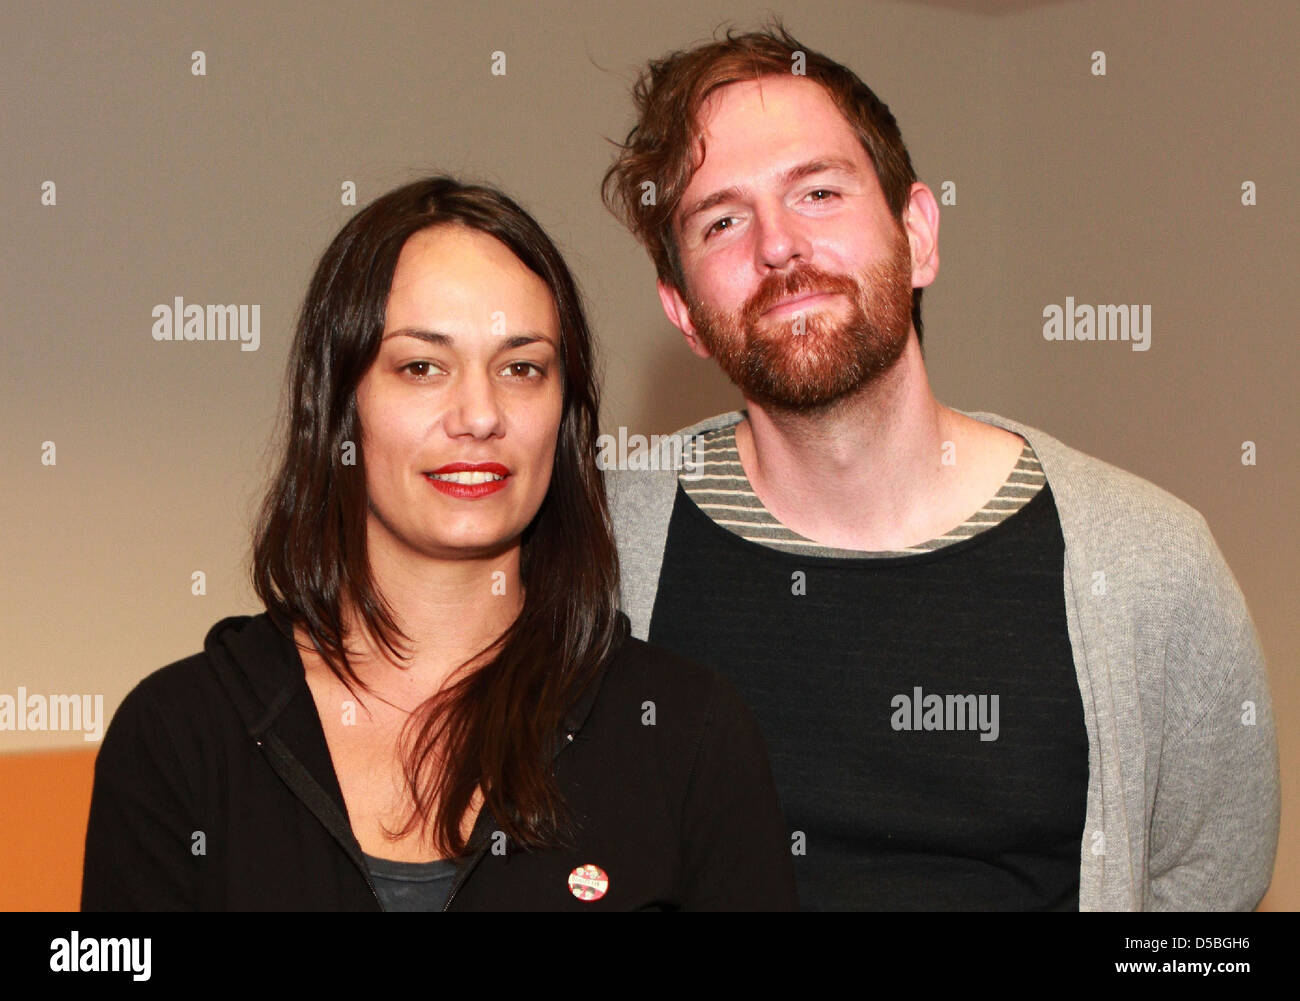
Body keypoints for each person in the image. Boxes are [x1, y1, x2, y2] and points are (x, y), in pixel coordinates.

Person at [600, 22, 1279, 910]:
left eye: (818, 192)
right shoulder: (601, 551)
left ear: (917, 234)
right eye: (722, 220)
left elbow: (1212, 922)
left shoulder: (1149, 562)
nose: (778, 245)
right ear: (683, 311)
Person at [81, 176, 797, 911]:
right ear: (338, 405)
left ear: (566, 413)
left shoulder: (686, 734)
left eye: (522, 367)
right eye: (422, 366)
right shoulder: (178, 739)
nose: (480, 414)